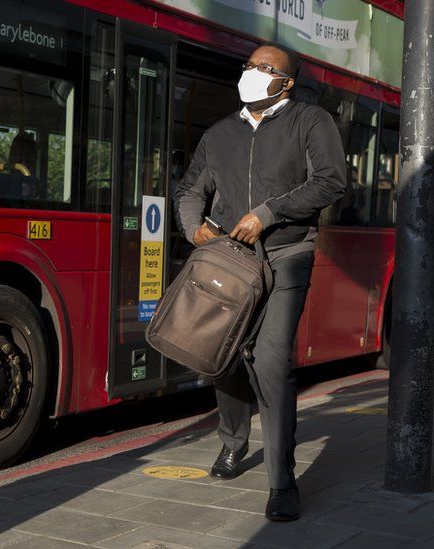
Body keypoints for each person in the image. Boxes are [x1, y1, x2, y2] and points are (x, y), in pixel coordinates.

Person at [174, 43, 345, 522]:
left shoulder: (311, 122)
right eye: (250, 64)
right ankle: (233, 441)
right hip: (229, 262)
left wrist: (267, 213)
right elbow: (190, 190)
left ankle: (281, 482)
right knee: (220, 353)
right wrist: (193, 227)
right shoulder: (221, 132)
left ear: (286, 83)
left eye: (265, 68)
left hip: (287, 257)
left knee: (269, 361)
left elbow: (331, 181)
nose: (252, 71)